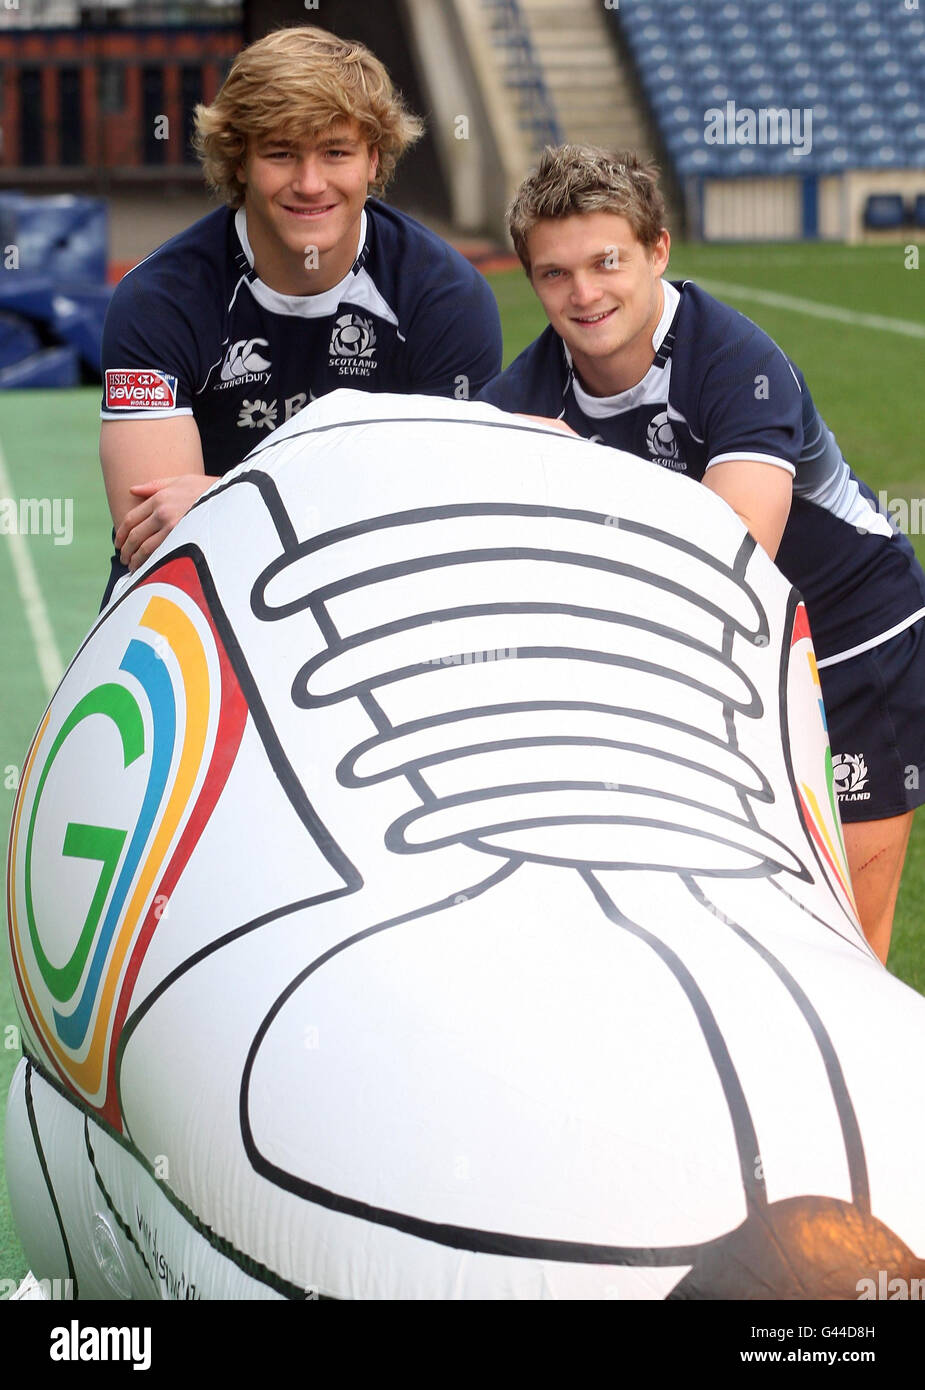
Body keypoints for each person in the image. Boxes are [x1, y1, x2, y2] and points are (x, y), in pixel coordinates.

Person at [477, 144, 925, 962]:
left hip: (850, 643)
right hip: (712, 658)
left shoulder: (738, 365)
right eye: (553, 274)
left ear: (657, 250)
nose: (583, 294)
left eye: (606, 261)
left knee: (845, 934)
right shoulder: (520, 399)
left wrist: (570, 472)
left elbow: (727, 563)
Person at [100, 25, 502, 604]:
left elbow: (441, 520)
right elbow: (160, 545)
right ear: (239, 162)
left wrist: (223, 497)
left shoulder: (443, 297)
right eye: (281, 153)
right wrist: (353, 503)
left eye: (335, 152)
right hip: (198, 606)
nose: (309, 184)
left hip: (374, 593)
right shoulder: (158, 301)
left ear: (373, 159)